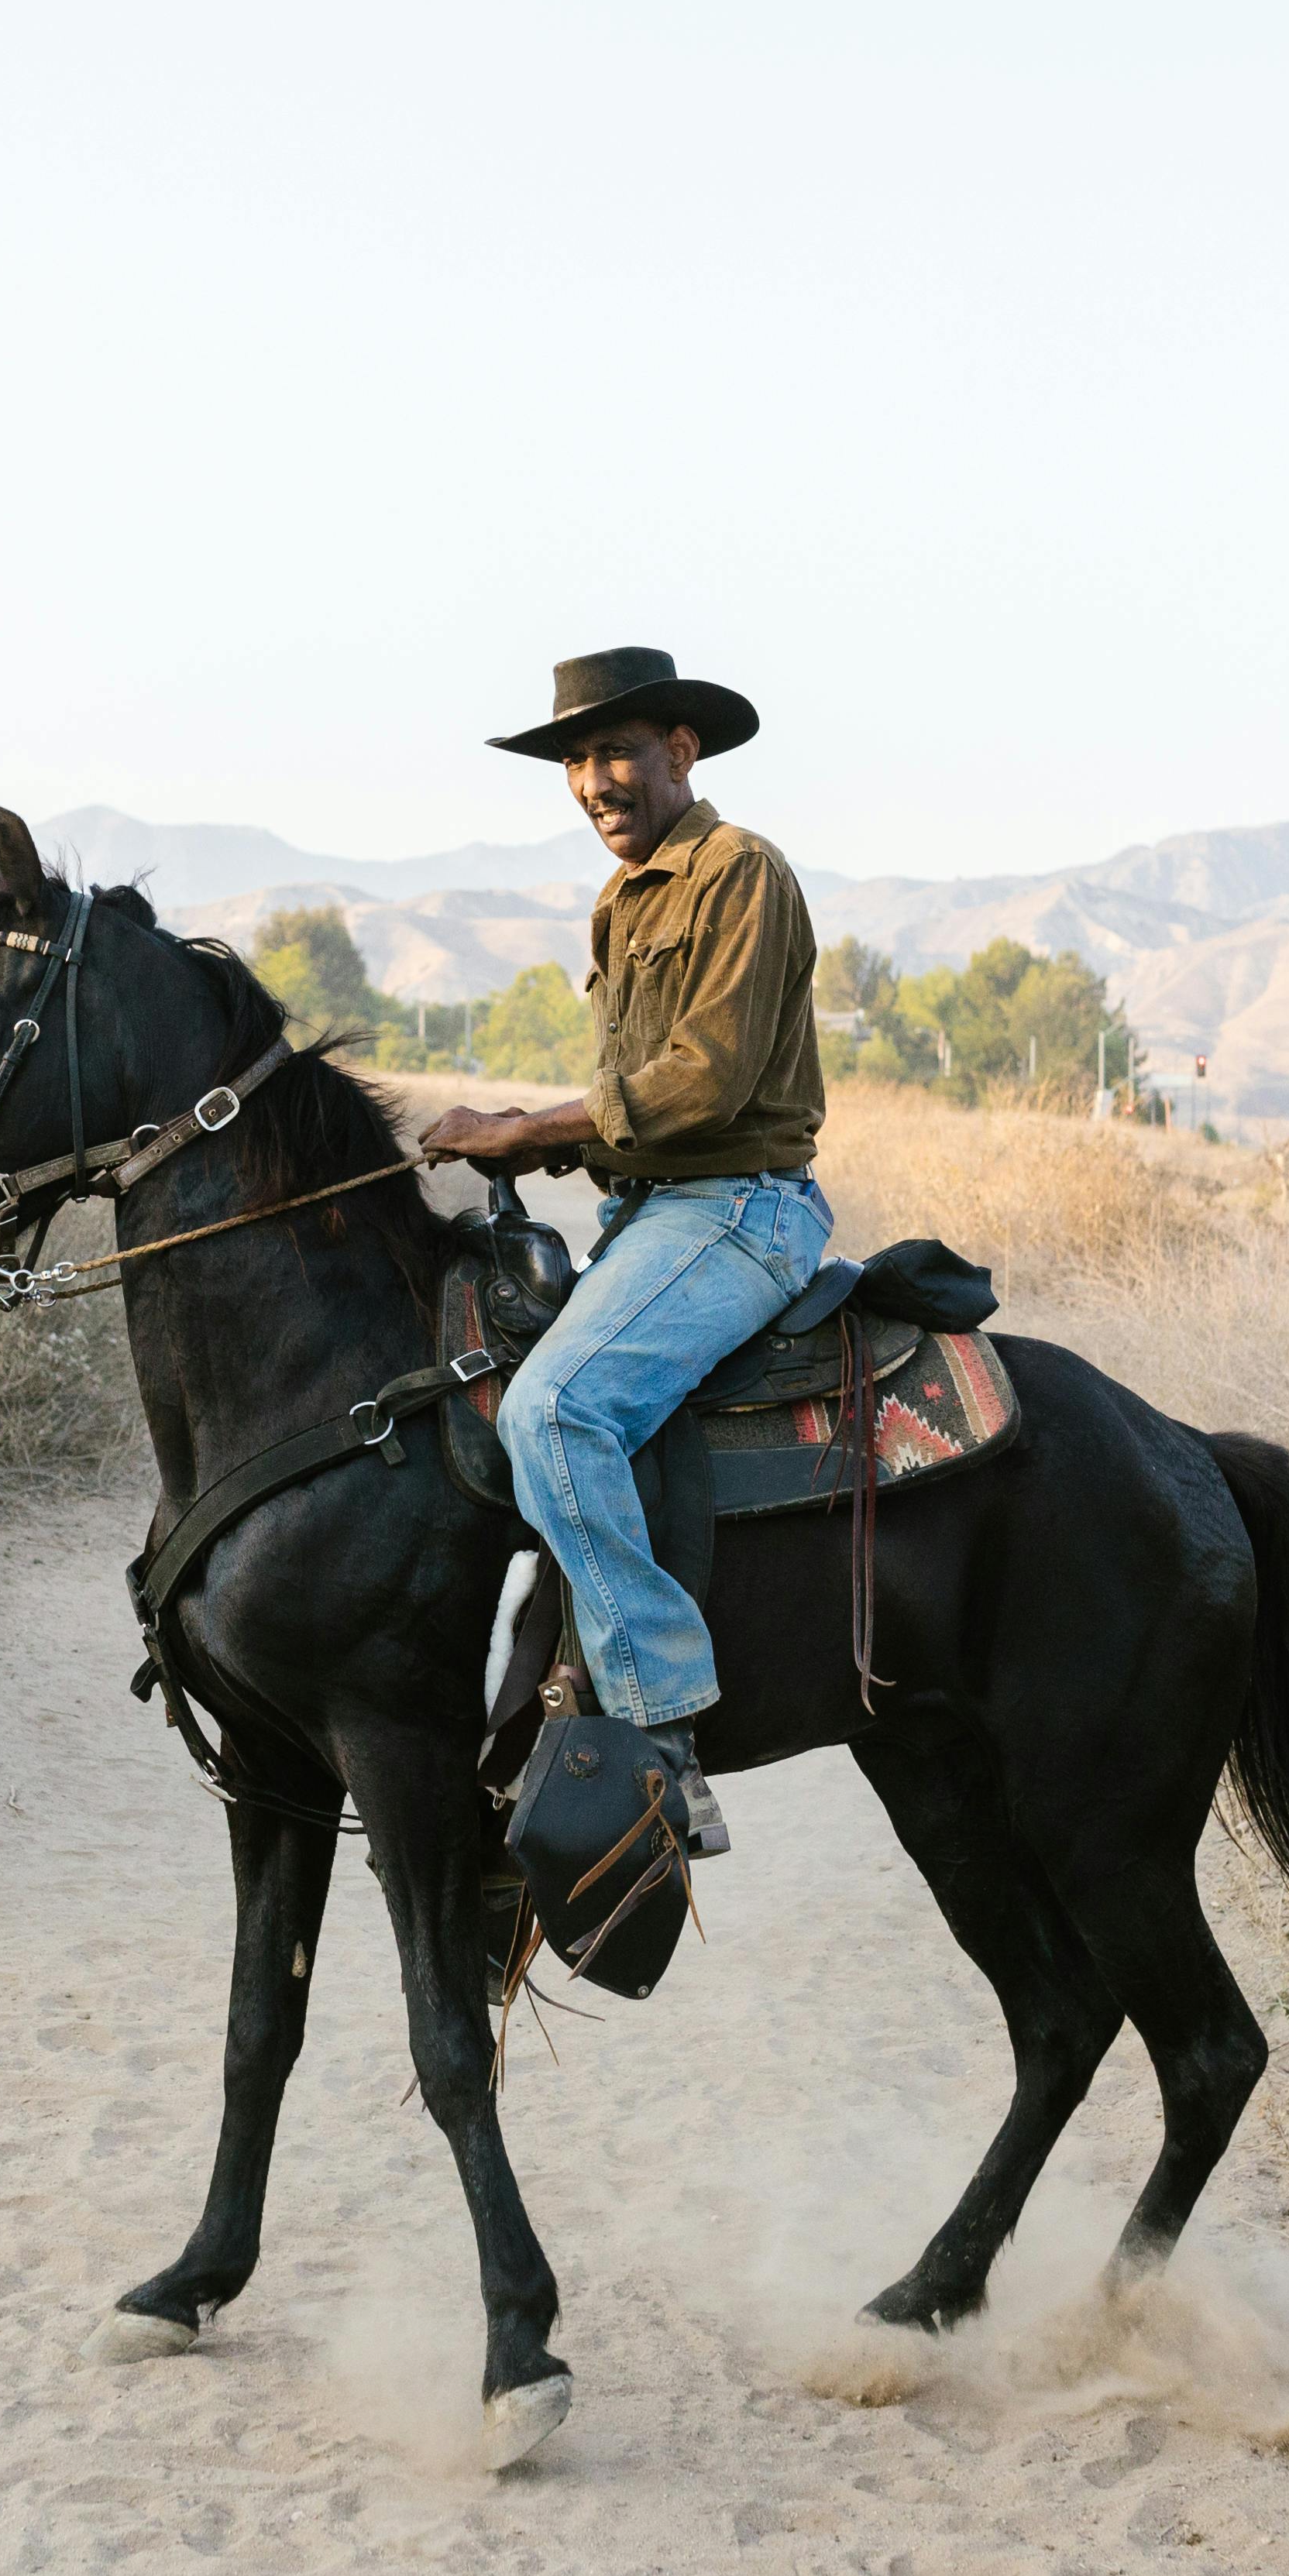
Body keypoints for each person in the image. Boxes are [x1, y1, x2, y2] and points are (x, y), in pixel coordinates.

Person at [418, 647, 829, 1839]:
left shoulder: (738, 872)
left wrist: (525, 1125)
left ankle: (656, 1722)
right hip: (652, 1213)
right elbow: (633, 1098)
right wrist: (536, 1148)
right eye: (573, 761)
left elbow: (703, 1085)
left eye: (615, 753)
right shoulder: (625, 895)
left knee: (557, 1412)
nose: (592, 781)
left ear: (680, 752)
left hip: (740, 1209)